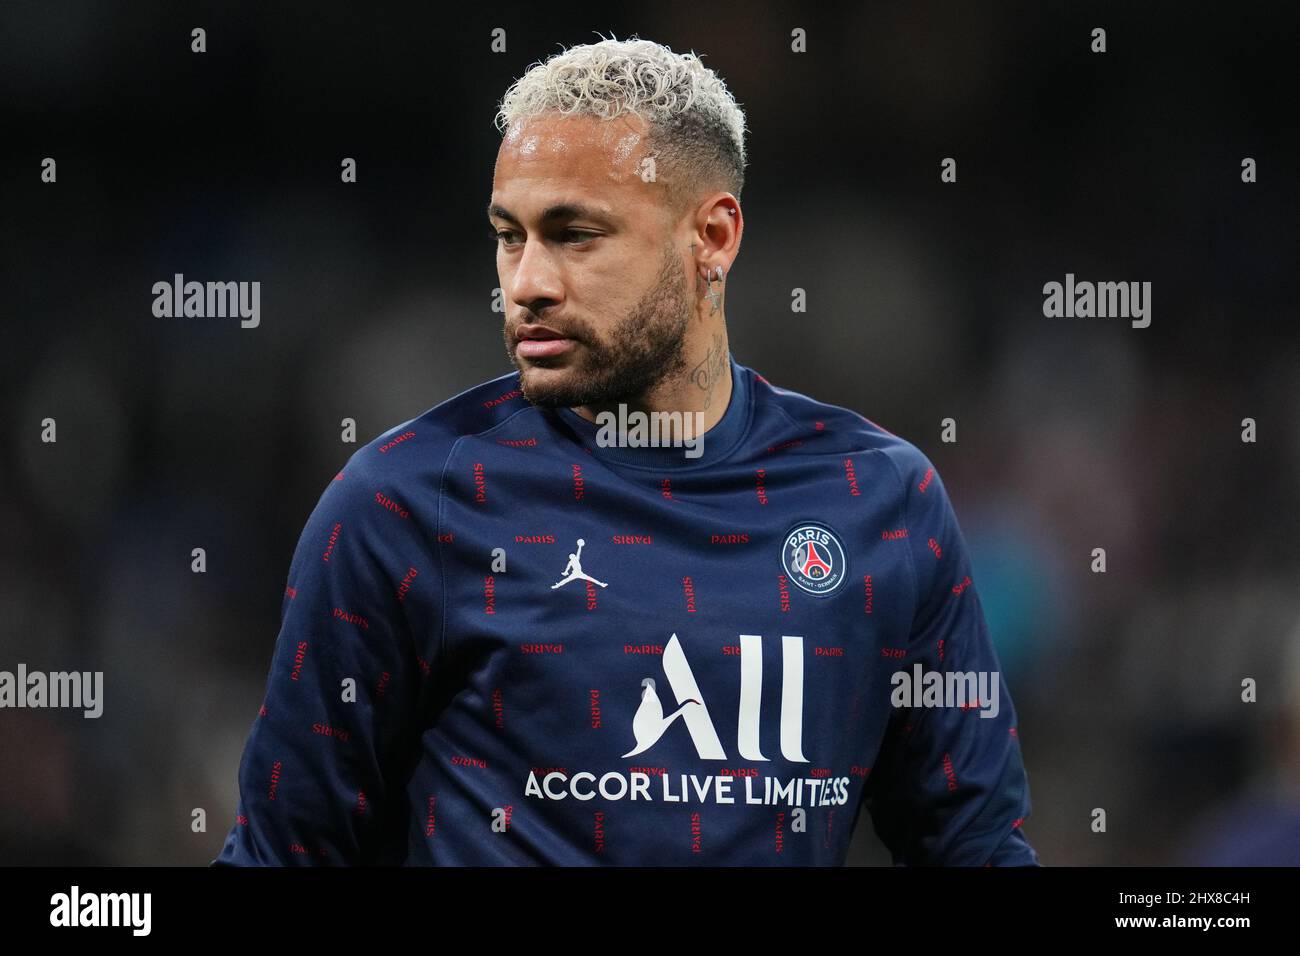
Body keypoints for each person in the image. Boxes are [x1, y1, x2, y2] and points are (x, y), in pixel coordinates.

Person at [212, 35, 1039, 866]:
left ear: (712, 237)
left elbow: (974, 848)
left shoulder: (879, 500)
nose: (526, 283)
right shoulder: (404, 505)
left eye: (575, 235)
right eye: (509, 235)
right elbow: (284, 853)